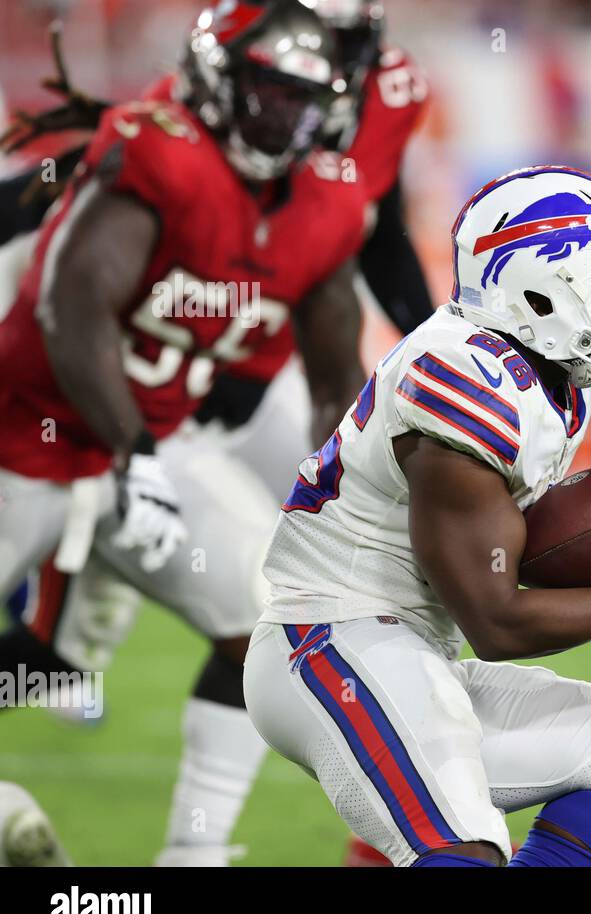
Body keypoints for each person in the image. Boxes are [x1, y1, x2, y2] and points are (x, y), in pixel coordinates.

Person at [243, 165, 591, 867]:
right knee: (464, 847)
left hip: (411, 649)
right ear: (541, 294)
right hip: (328, 642)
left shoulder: (544, 371)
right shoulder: (466, 379)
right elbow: (496, 621)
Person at [0, 0, 368, 865]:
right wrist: (133, 450)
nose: (283, 118)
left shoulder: (326, 207)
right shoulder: (163, 152)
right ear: (217, 80)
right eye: (268, 92)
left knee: (273, 620)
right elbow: (73, 307)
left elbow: (334, 375)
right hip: (24, 435)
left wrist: (345, 496)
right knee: (44, 666)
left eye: (302, 101)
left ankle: (192, 857)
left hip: (149, 448)